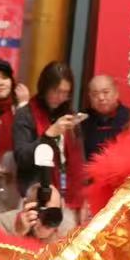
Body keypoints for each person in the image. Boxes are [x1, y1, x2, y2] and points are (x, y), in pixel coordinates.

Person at [14, 60, 87, 207]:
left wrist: (84, 197)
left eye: (66, 93)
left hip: (68, 195)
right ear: (44, 87)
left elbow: (79, 161)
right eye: (56, 91)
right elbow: (22, 157)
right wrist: (48, 135)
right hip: (37, 195)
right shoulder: (26, 114)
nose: (60, 97)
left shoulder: (69, 115)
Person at [0, 179, 71, 245]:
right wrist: (18, 234)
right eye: (39, 211)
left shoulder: (67, 230)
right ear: (25, 205)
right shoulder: (5, 223)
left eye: (52, 212)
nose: (45, 219)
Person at [80, 73, 130, 168]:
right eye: (95, 94)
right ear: (89, 97)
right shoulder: (82, 120)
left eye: (105, 92)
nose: (101, 98)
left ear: (116, 93)